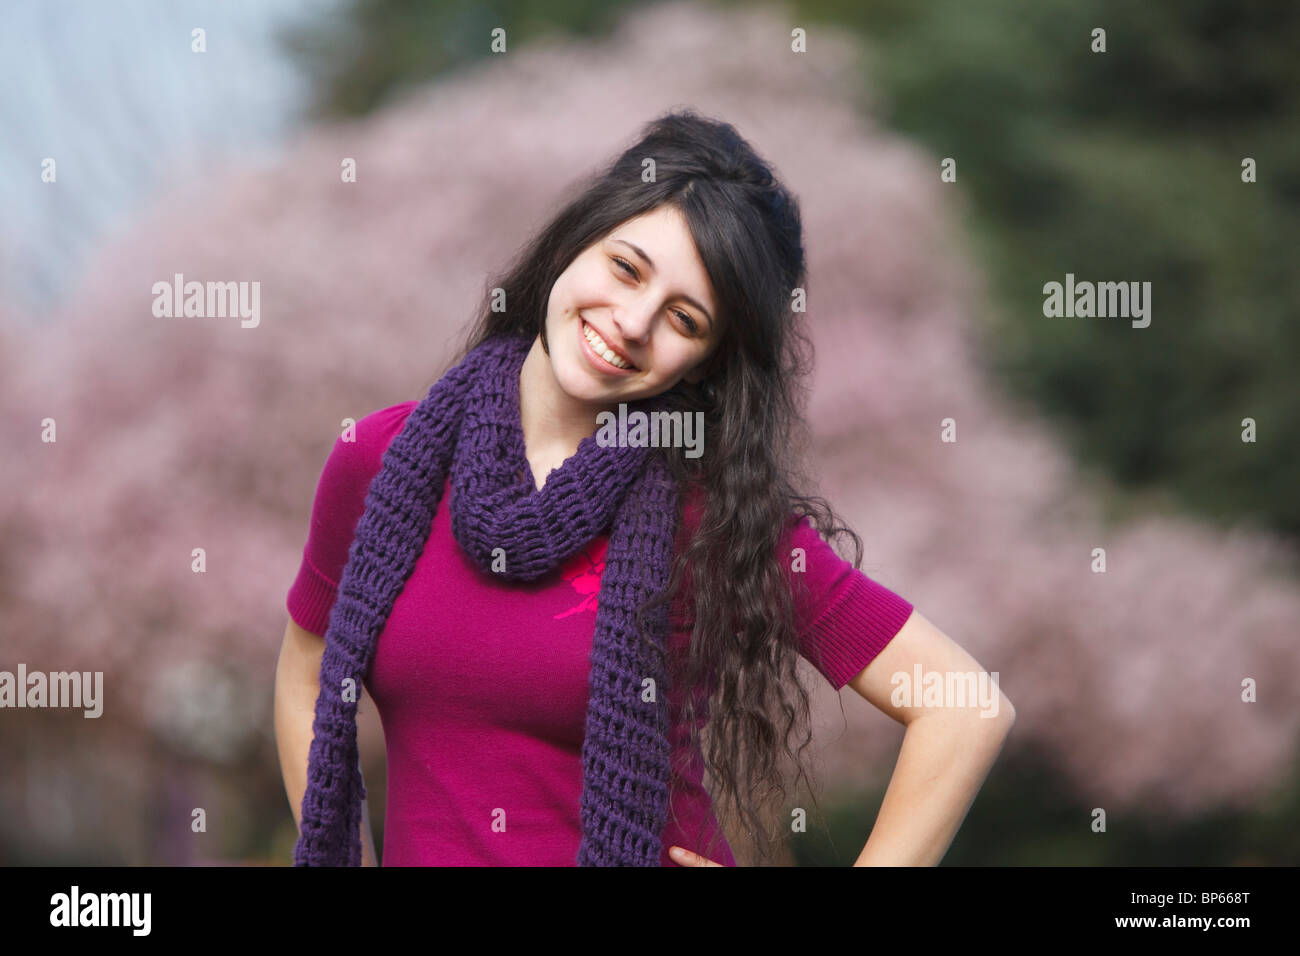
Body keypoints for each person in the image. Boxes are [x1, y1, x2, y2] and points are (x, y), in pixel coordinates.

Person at [274, 108, 1016, 867]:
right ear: (575, 242)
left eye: (684, 319)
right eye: (626, 269)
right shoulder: (381, 461)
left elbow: (964, 707)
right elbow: (306, 671)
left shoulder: (717, 514)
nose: (630, 323)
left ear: (703, 362)